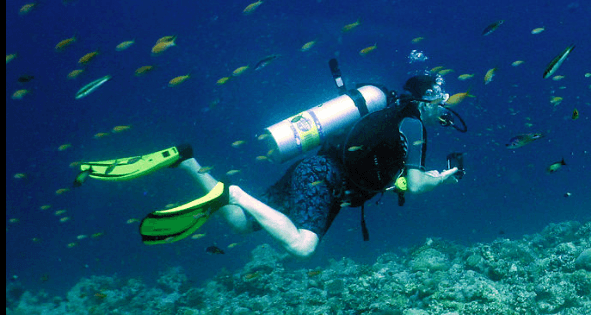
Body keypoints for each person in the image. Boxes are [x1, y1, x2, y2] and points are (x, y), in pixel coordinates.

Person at [74, 73, 466, 258]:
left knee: (241, 224)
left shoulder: (388, 118)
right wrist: (443, 179)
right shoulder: (411, 124)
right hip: (323, 181)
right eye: (441, 101)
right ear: (424, 102)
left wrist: (422, 178)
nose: (445, 109)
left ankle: (187, 160)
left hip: (313, 171)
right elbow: (416, 186)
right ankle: (234, 192)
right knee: (303, 246)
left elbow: (394, 179)